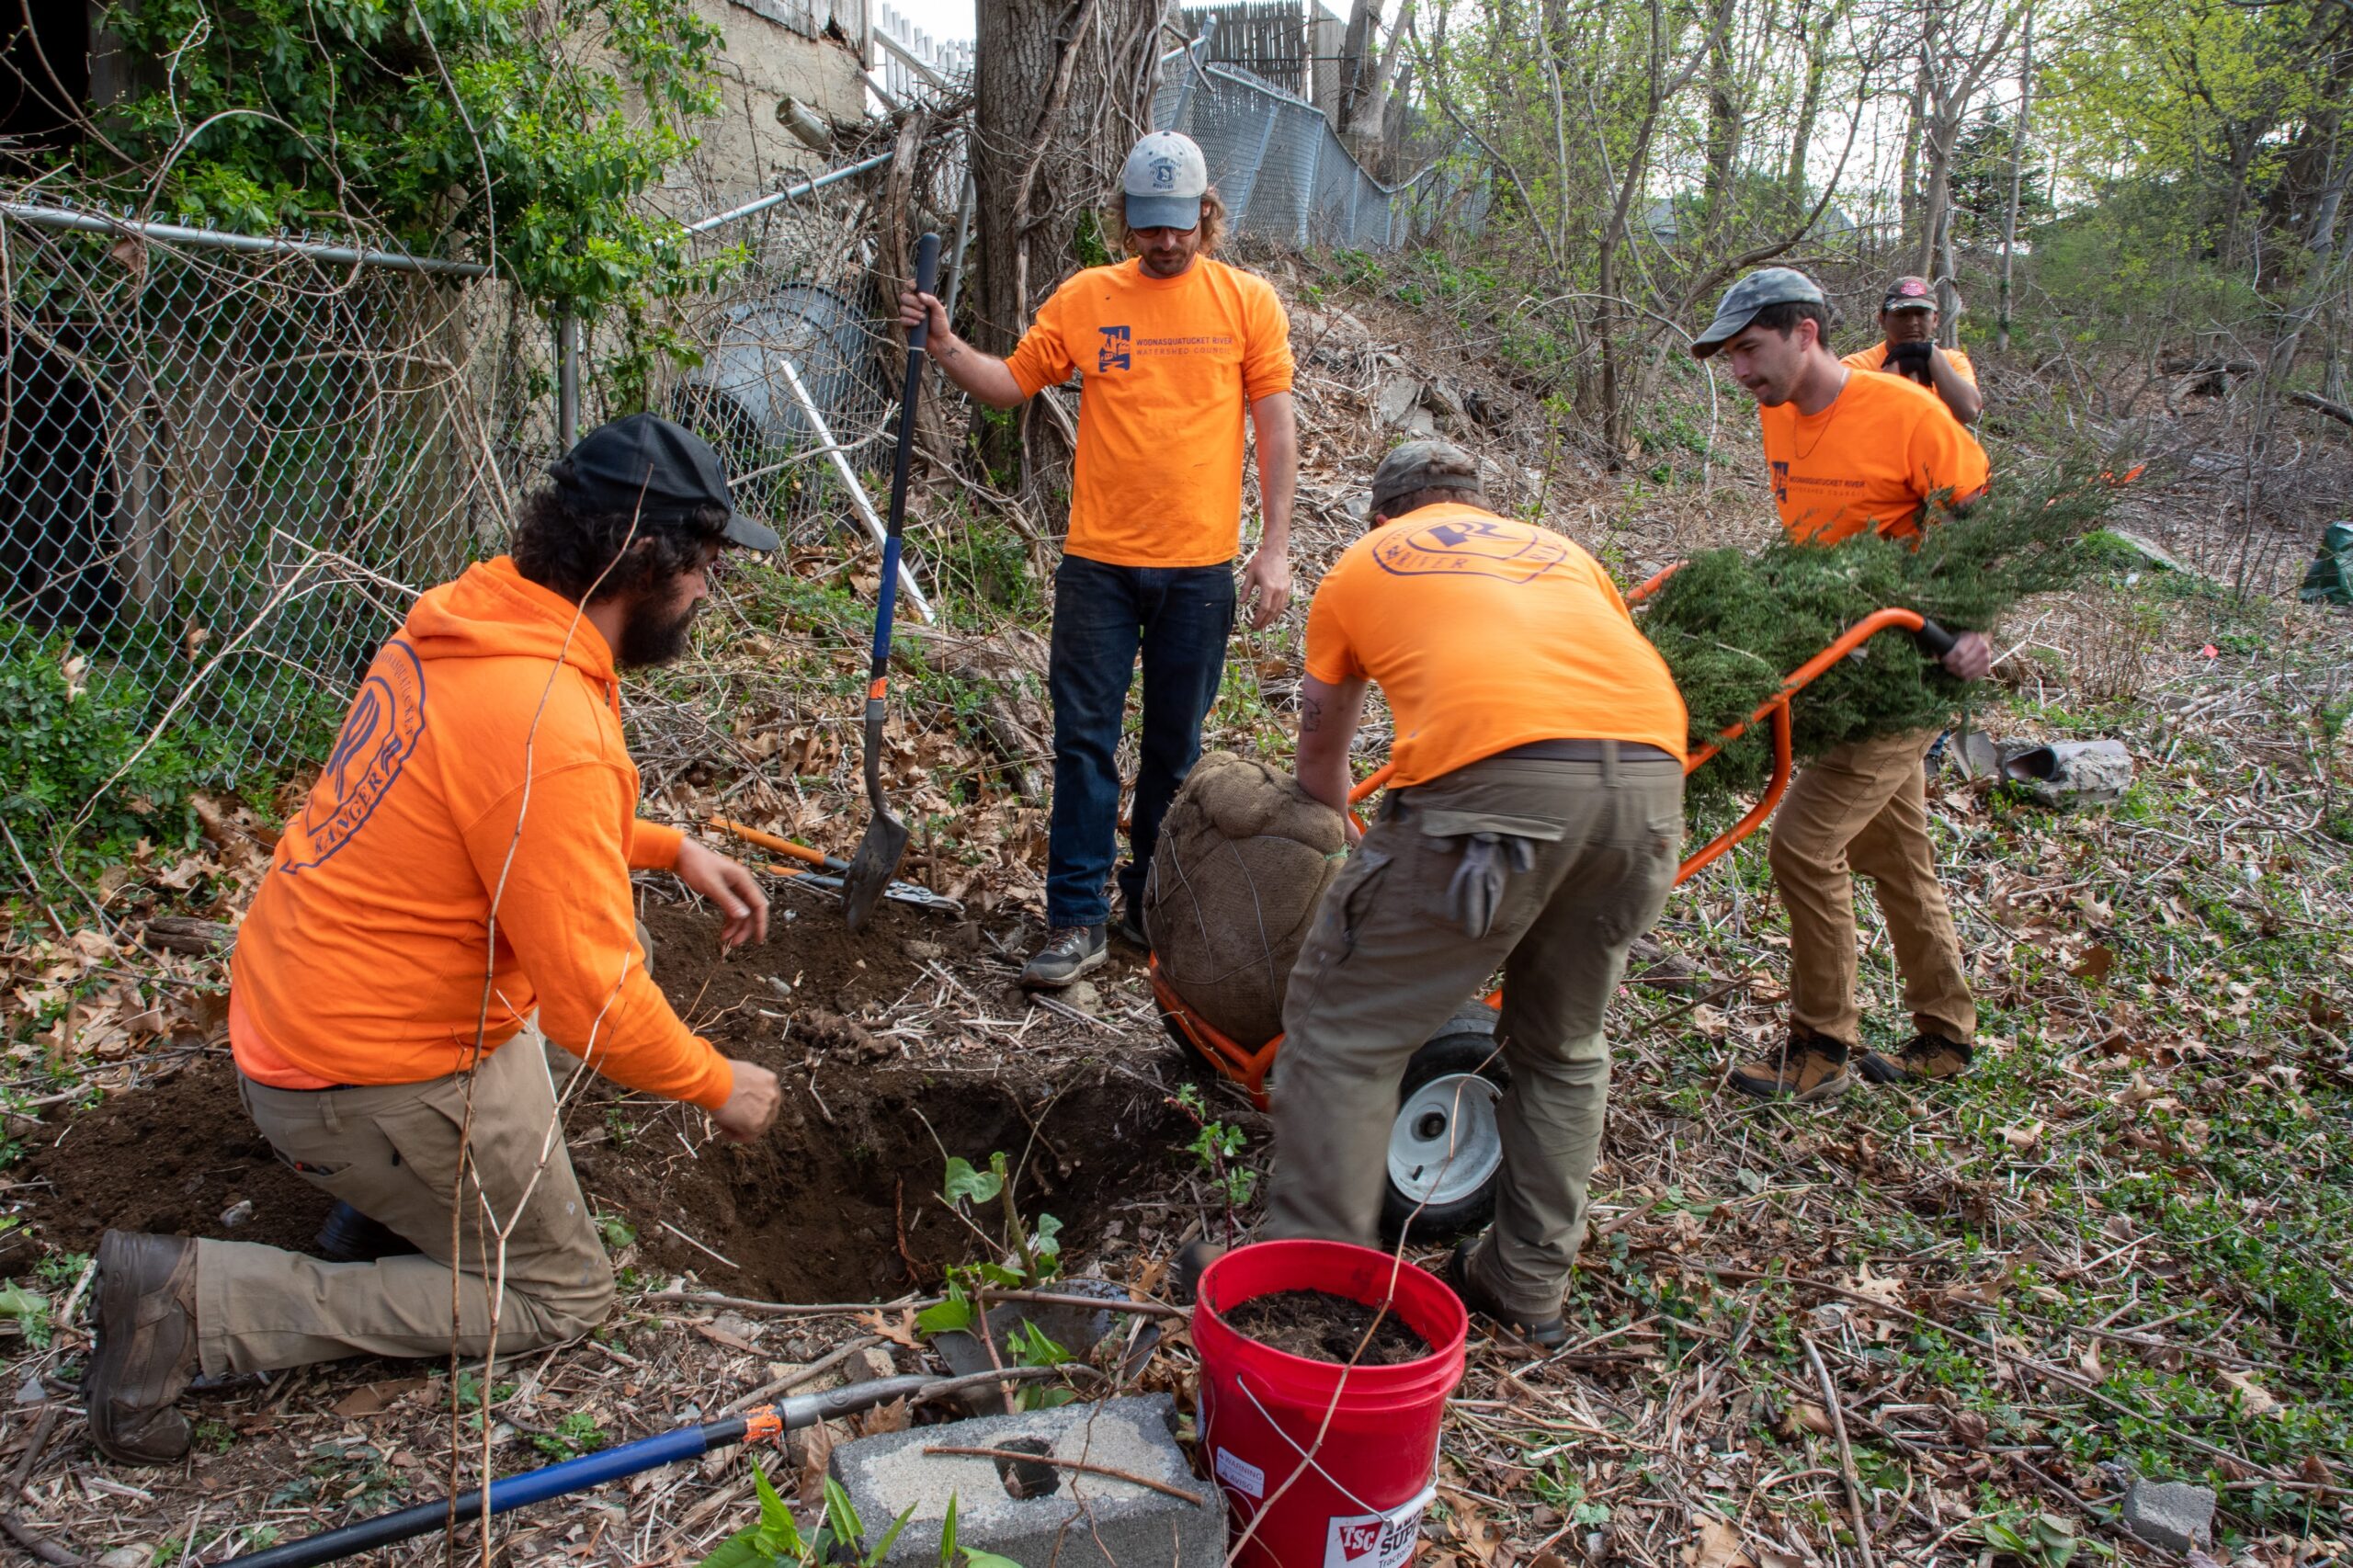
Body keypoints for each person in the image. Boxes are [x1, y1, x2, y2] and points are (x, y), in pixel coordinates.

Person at [83, 415, 786, 1465]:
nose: (709, 589)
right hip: (364, 1072)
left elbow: (494, 810)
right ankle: (194, 1302)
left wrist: (668, 844)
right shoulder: (546, 713)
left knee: (609, 938)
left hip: (311, 1009)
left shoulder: (477, 619)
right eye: (707, 565)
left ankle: (390, 1201)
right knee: (561, 1292)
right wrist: (718, 1082)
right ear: (648, 560)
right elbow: (594, 999)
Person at [1251, 440, 1689, 1346]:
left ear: (1384, 515)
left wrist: (1368, 868)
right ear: (1478, 504)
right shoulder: (1563, 553)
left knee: (1344, 1031)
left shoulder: (1362, 562)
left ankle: (1311, 1292)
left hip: (1495, 800)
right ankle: (1525, 1285)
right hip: (1650, 788)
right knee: (1562, 1047)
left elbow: (1321, 770)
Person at [897, 131, 1298, 990]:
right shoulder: (1088, 297)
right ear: (1125, 219)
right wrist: (945, 344)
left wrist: (1274, 547)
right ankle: (1074, 918)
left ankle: (1146, 906)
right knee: (1085, 743)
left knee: (1174, 749)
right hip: (1099, 568)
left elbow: (1273, 429)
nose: (1166, 240)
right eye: (1149, 225)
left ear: (1207, 215)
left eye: (1180, 223)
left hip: (1199, 570)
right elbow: (1010, 385)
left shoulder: (1246, 303)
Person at [1692, 267, 1993, 1102]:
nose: (1740, 371)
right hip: (1843, 664)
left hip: (1908, 668)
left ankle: (1822, 1044)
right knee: (1895, 853)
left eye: (1750, 349)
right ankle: (1947, 1033)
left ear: (1806, 333)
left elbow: (1985, 526)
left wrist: (1974, 627)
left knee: (1804, 842)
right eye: (1730, 357)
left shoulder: (1908, 414)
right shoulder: (1778, 412)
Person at [1843, 275, 1983, 427]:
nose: (1912, 322)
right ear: (1882, 320)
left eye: (1921, 314)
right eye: (1901, 314)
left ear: (1935, 320)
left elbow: (1967, 411)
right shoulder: (1856, 366)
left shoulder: (1952, 361)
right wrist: (1896, 367)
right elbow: (1856, 419)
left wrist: (1931, 354)